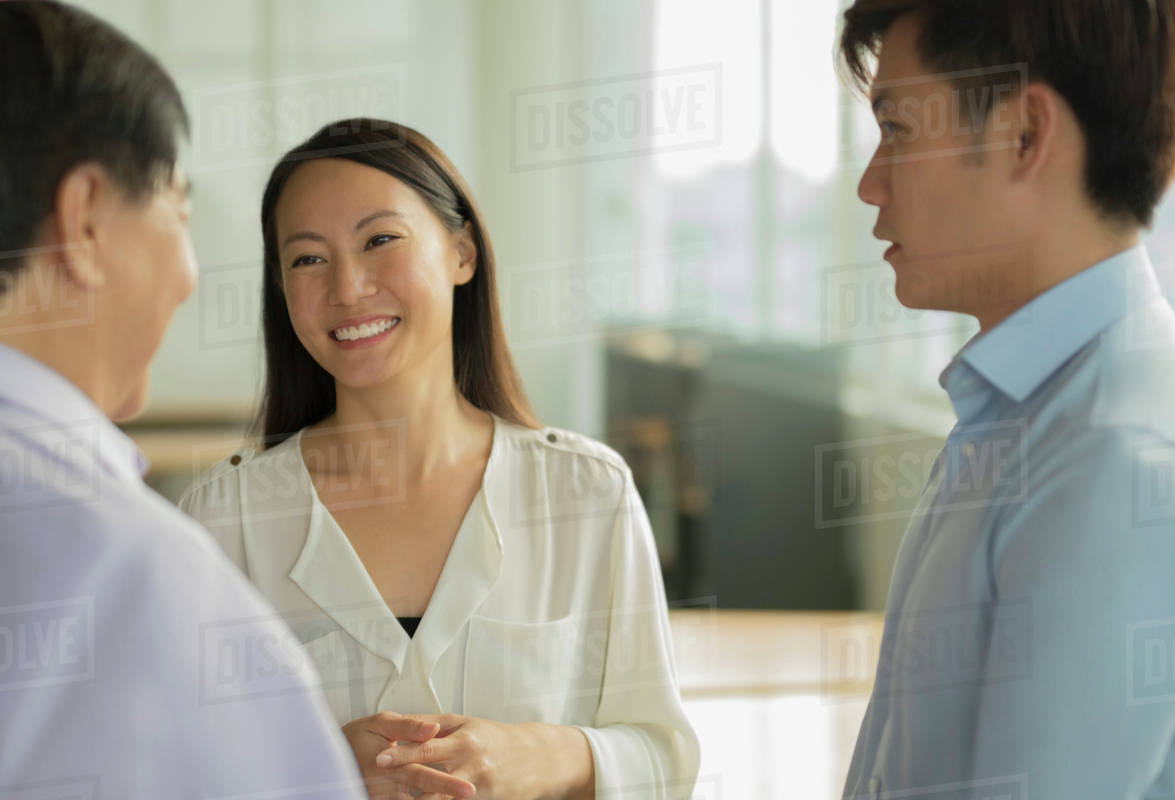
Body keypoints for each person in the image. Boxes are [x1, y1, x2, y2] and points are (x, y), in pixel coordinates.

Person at [178, 118, 700, 800]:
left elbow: (665, 757)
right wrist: (316, 768)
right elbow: (170, 770)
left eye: (379, 240)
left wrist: (544, 754)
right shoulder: (223, 521)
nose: (347, 286)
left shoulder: (584, 493)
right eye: (308, 258)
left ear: (462, 253)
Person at [0, 3, 382, 797]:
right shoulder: (125, 568)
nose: (189, 271)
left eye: (380, 242)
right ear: (86, 221)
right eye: (179, 210)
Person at [835, 1, 1175, 798]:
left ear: (1025, 135)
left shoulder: (1113, 455)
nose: (870, 183)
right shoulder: (1026, 408)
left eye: (897, 129)